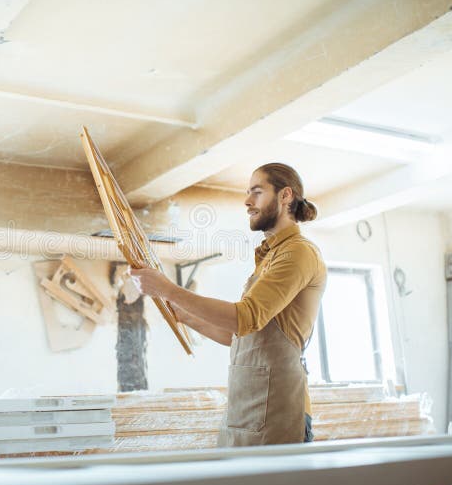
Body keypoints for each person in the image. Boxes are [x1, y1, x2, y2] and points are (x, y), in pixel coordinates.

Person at [129, 163, 327, 446]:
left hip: (279, 411)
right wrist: (185, 316)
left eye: (257, 192)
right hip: (246, 410)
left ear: (285, 196)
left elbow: (245, 318)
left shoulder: (298, 253)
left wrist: (169, 290)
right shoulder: (271, 256)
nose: (247, 202)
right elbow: (240, 336)